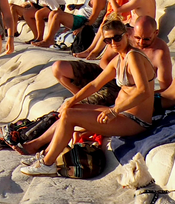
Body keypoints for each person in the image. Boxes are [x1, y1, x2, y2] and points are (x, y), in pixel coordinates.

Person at [20, 19, 156, 176]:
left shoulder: (134, 57)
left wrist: (114, 111)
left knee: (70, 116)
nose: (113, 43)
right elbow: (95, 85)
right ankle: (45, 155)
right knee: (68, 110)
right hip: (122, 113)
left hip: (134, 120)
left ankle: (47, 163)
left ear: (126, 35)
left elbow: (143, 91)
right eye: (108, 40)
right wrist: (71, 101)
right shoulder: (119, 59)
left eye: (117, 37)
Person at [31, 0, 108, 49]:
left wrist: (82, 28)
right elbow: (88, 7)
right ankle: (49, 39)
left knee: (58, 15)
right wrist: (75, 6)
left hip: (84, 21)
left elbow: (94, 15)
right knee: (53, 13)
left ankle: (48, 41)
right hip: (80, 19)